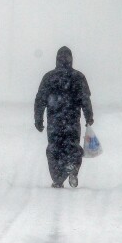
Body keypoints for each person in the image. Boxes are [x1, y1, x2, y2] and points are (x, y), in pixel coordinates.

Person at [34, 46, 94, 188]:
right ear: (71, 59)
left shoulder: (49, 77)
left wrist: (38, 118)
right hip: (72, 121)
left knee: (54, 149)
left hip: (55, 122)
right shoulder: (78, 77)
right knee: (72, 147)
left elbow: (40, 99)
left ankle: (57, 178)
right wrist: (89, 116)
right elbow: (85, 98)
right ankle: (72, 167)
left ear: (57, 60)